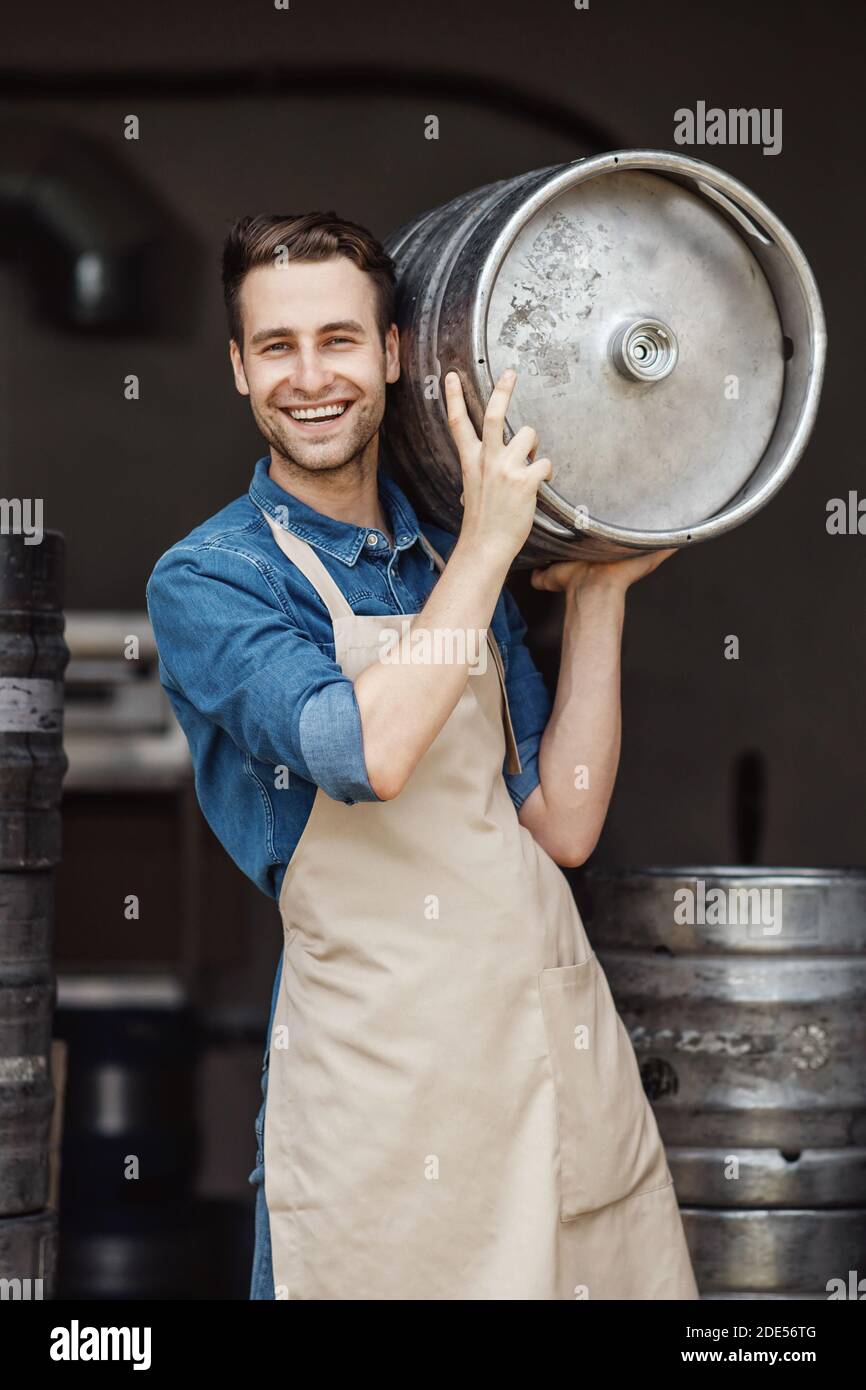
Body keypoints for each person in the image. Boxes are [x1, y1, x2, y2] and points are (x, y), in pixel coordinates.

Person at [145, 210, 699, 1300]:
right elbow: (366, 751)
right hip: (382, 1099)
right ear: (238, 369)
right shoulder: (212, 580)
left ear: (393, 353)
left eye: (340, 340)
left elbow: (563, 821)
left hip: (543, 1060)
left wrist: (592, 600)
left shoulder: (448, 553)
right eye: (277, 347)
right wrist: (493, 543)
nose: (311, 377)